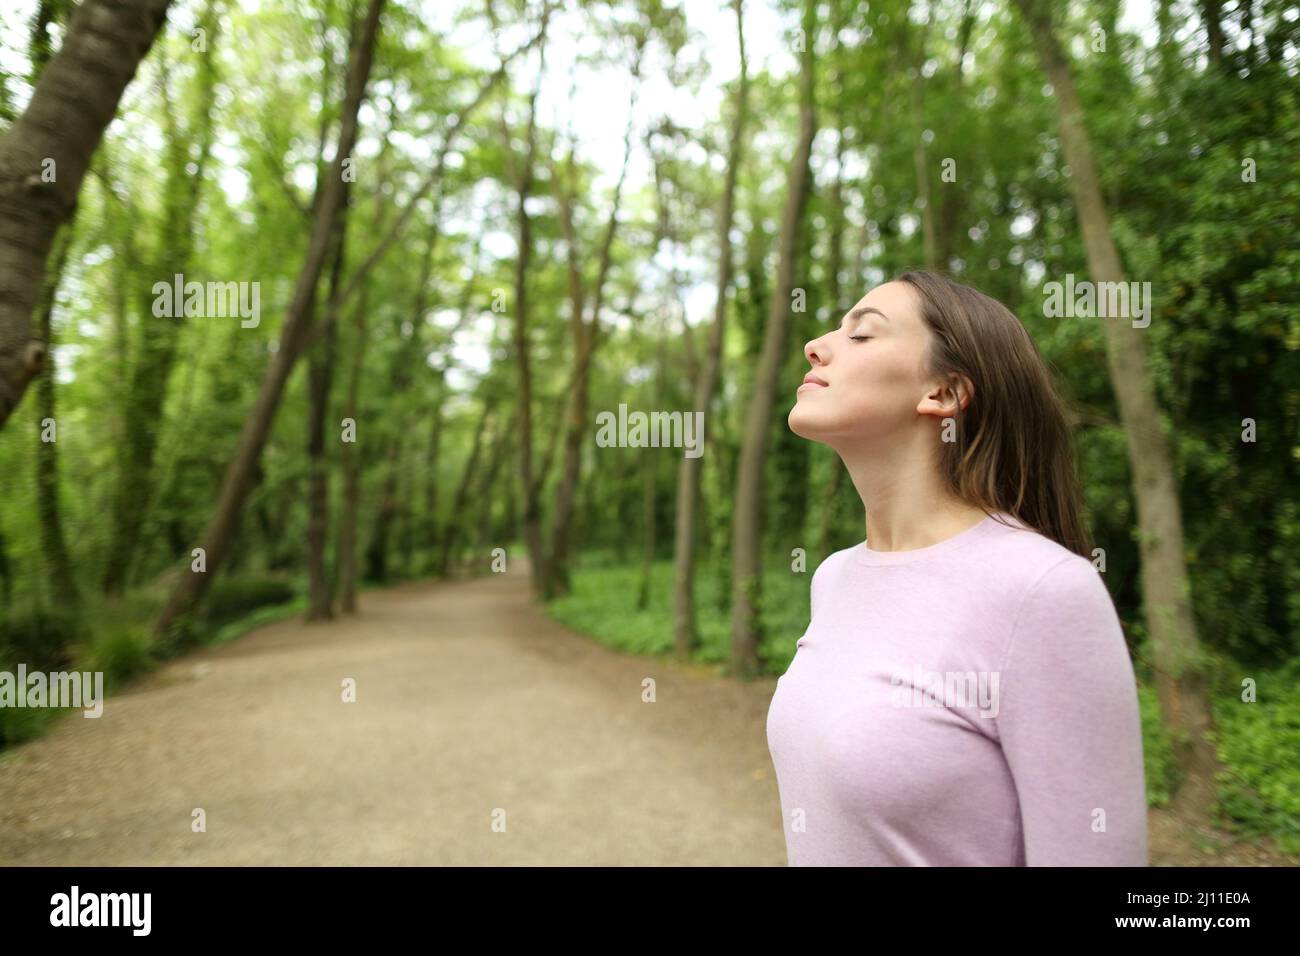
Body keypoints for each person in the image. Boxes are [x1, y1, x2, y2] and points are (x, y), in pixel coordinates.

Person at [766, 270, 1148, 866]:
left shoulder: (1043, 593)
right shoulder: (835, 578)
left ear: (943, 394)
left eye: (862, 336)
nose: (816, 345)